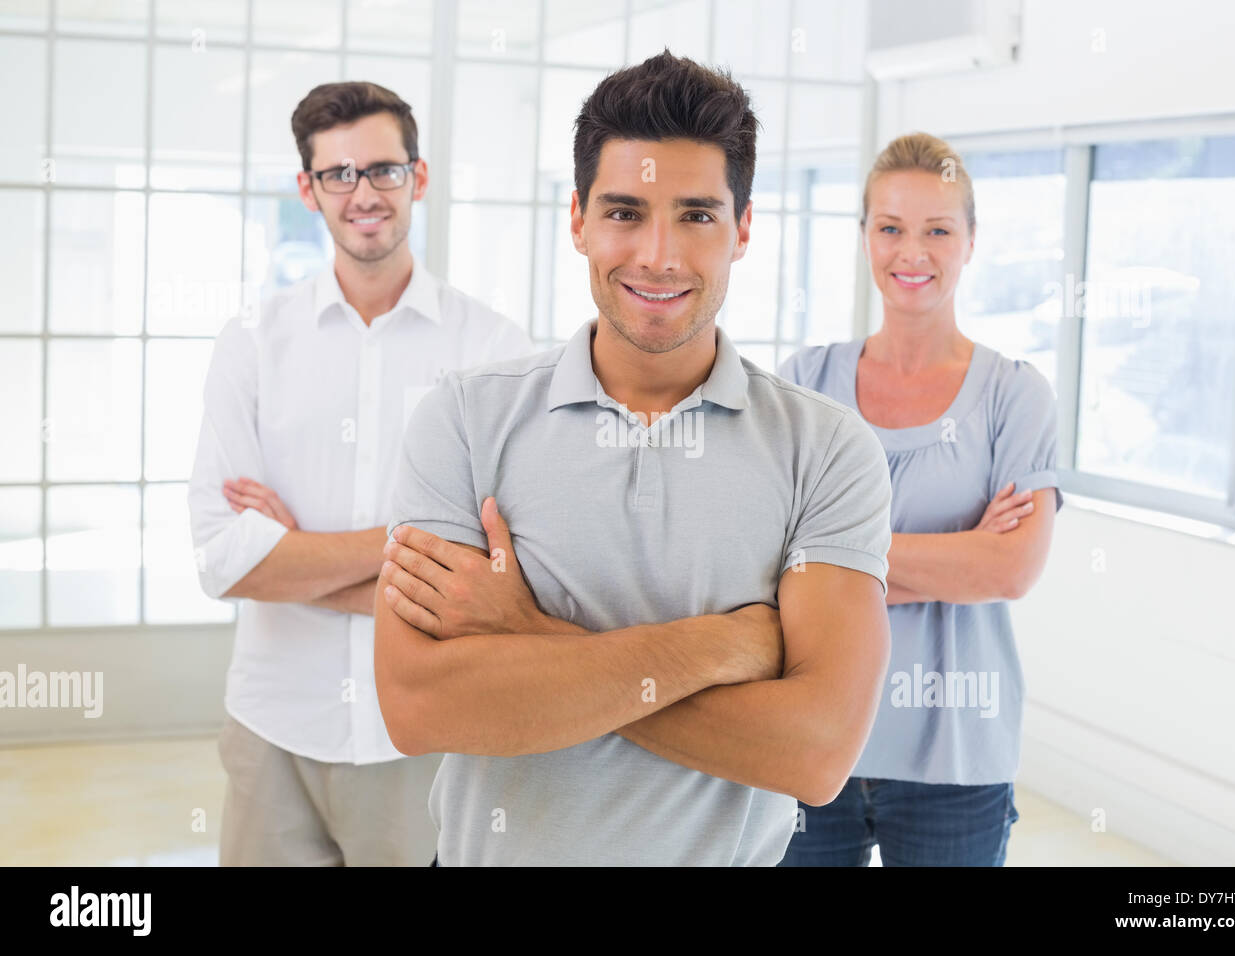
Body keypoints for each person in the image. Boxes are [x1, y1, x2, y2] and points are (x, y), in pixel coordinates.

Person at [371, 51, 895, 867]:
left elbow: (816, 754)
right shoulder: (464, 418)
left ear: (744, 229)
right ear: (576, 218)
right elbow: (417, 705)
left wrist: (529, 636)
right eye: (624, 212)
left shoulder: (826, 450)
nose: (658, 255)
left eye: (696, 215)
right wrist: (722, 648)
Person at [187, 81, 534, 866]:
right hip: (273, 726)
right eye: (339, 174)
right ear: (307, 190)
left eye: (383, 169)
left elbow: (501, 569)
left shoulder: (494, 351)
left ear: (420, 177)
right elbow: (220, 556)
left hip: (420, 733)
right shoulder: (252, 343)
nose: (364, 193)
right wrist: (410, 560)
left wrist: (293, 554)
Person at [775, 131, 1061, 867]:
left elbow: (1011, 572)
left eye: (938, 229)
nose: (913, 252)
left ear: (969, 241)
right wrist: (956, 557)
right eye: (891, 228)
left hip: (958, 758)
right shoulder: (805, 381)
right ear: (866, 237)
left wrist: (838, 567)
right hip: (812, 737)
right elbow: (767, 562)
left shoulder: (1015, 394)